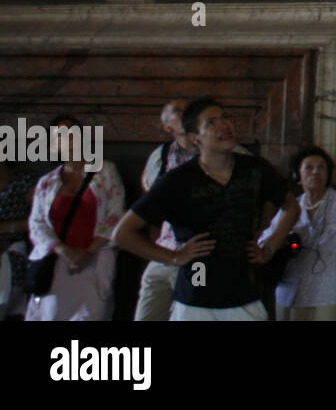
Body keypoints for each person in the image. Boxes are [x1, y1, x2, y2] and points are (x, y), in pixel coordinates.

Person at [112, 98, 299, 320]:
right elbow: (123, 234)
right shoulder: (177, 181)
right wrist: (173, 257)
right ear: (195, 138)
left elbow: (291, 207)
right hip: (195, 297)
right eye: (211, 122)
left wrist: (269, 248)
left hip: (244, 292)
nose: (224, 125)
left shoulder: (255, 169)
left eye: (225, 118)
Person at [133, 100, 251, 321]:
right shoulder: (161, 156)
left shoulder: (232, 154)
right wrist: (168, 252)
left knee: (196, 312)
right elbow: (148, 205)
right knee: (147, 314)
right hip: (167, 251)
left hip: (205, 257)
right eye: (177, 112)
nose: (186, 112)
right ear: (167, 127)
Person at [261, 146, 336, 321]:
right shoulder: (291, 207)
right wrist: (281, 242)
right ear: (298, 176)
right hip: (292, 287)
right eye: (309, 168)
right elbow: (265, 238)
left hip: (328, 288)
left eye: (321, 167)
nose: (316, 172)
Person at [25, 115, 125, 321]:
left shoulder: (104, 170)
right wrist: (65, 251)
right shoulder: (47, 181)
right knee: (52, 314)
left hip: (95, 257)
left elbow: (116, 214)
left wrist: (87, 252)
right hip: (58, 260)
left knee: (92, 314)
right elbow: (37, 224)